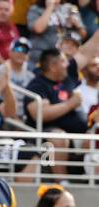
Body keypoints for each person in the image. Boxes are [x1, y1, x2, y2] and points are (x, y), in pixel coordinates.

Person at [26, 48, 89, 177]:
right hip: (46, 133)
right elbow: (40, 114)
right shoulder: (37, 85)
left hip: (78, 133)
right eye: (63, 61)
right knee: (59, 137)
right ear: (53, 66)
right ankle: (61, 181)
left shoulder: (67, 76)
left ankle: (87, 176)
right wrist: (70, 103)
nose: (67, 64)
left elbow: (87, 51)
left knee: (92, 134)